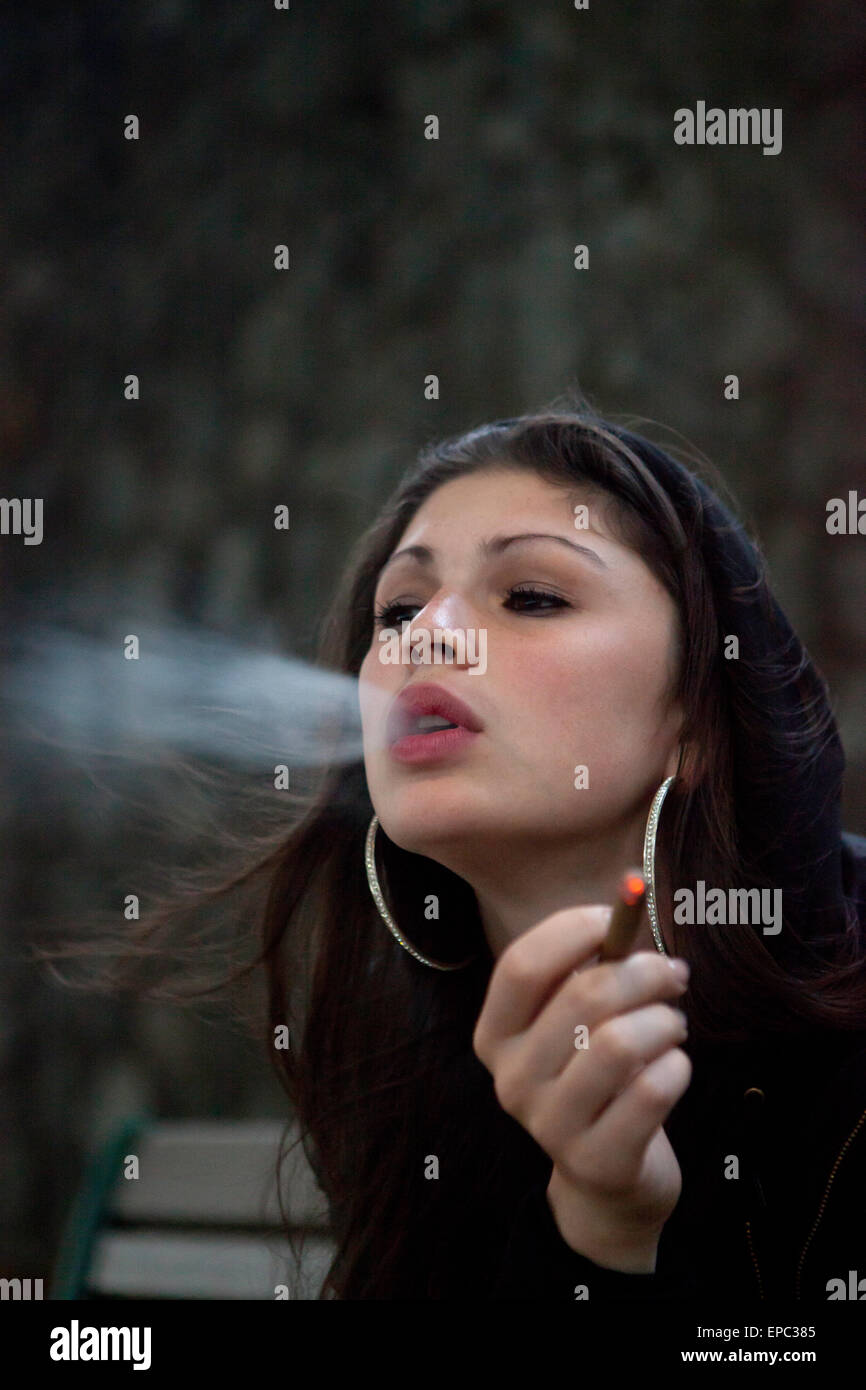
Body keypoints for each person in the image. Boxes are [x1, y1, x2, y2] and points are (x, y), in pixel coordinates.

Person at [44, 394, 866, 1301]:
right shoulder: (408, 1084)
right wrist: (599, 1230)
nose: (426, 633)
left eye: (533, 596)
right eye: (397, 611)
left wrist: (615, 1226)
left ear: (699, 724)